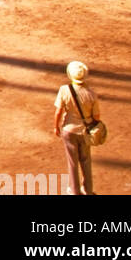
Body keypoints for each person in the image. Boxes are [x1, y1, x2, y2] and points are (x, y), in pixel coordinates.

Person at [54, 60, 102, 196]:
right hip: (85, 131)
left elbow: (58, 112)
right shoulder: (91, 94)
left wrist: (56, 127)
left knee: (72, 162)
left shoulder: (64, 90)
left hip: (69, 130)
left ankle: (74, 191)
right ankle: (88, 190)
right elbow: (97, 117)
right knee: (86, 160)